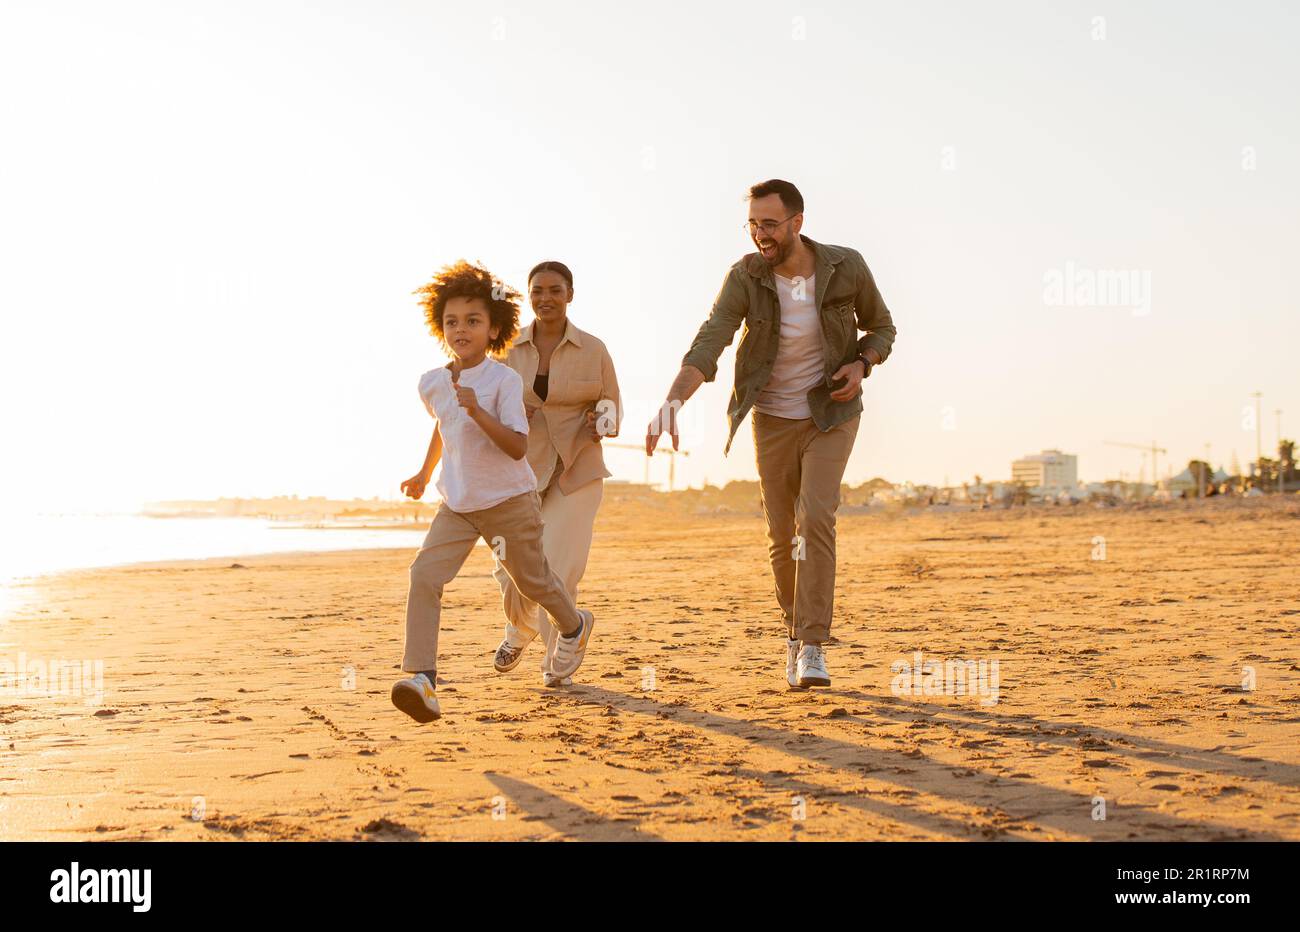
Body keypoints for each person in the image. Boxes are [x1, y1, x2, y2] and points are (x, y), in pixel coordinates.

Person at [646, 179, 897, 689]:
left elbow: (882, 328)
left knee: (816, 516)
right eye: (754, 224)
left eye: (770, 224)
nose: (761, 234)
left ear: (797, 223)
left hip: (831, 413)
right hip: (771, 418)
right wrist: (672, 402)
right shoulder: (746, 276)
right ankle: (793, 629)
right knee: (783, 534)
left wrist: (862, 363)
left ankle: (811, 645)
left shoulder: (845, 266)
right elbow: (711, 338)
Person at [393, 259, 595, 722]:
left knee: (532, 581)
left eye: (473, 321)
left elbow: (518, 447)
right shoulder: (433, 383)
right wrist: (425, 474)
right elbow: (444, 429)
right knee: (424, 575)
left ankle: (573, 624)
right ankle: (423, 679)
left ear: (493, 329)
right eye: (451, 322)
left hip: (508, 501)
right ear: (439, 326)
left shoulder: (504, 381)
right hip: (459, 504)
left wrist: (479, 412)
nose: (460, 329)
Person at [491, 260, 622, 687]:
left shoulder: (593, 349)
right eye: (537, 291)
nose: (546, 298)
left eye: (555, 290)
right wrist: (510, 412)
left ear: (570, 294)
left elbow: (612, 407)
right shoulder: (507, 347)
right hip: (520, 470)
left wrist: (599, 421)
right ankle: (520, 625)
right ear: (528, 297)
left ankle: (557, 658)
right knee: (509, 563)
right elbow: (484, 405)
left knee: (560, 567)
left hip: (577, 468)